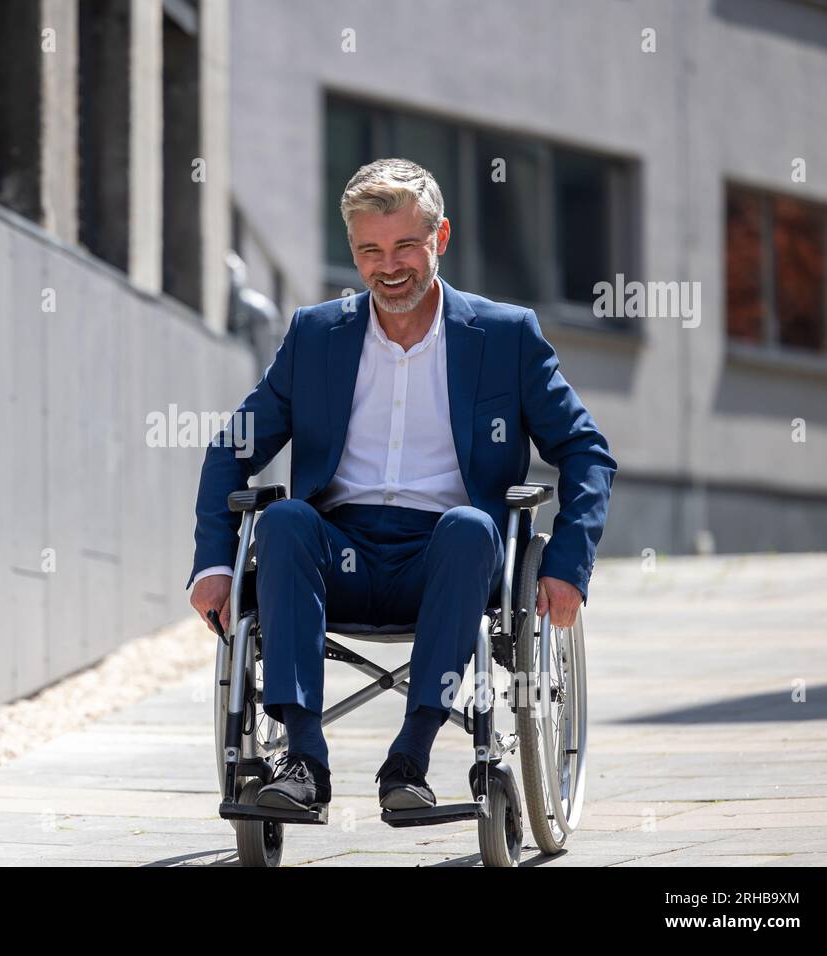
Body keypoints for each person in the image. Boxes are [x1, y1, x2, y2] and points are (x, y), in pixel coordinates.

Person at [187, 158, 616, 813]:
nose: (389, 267)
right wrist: (214, 563)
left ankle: (410, 761)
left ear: (440, 237)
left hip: (448, 558)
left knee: (473, 527)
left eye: (406, 246)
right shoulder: (315, 336)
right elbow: (233, 449)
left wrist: (568, 562)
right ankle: (303, 760)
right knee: (281, 520)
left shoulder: (505, 337)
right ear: (353, 251)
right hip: (336, 555)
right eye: (369, 250)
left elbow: (585, 450)